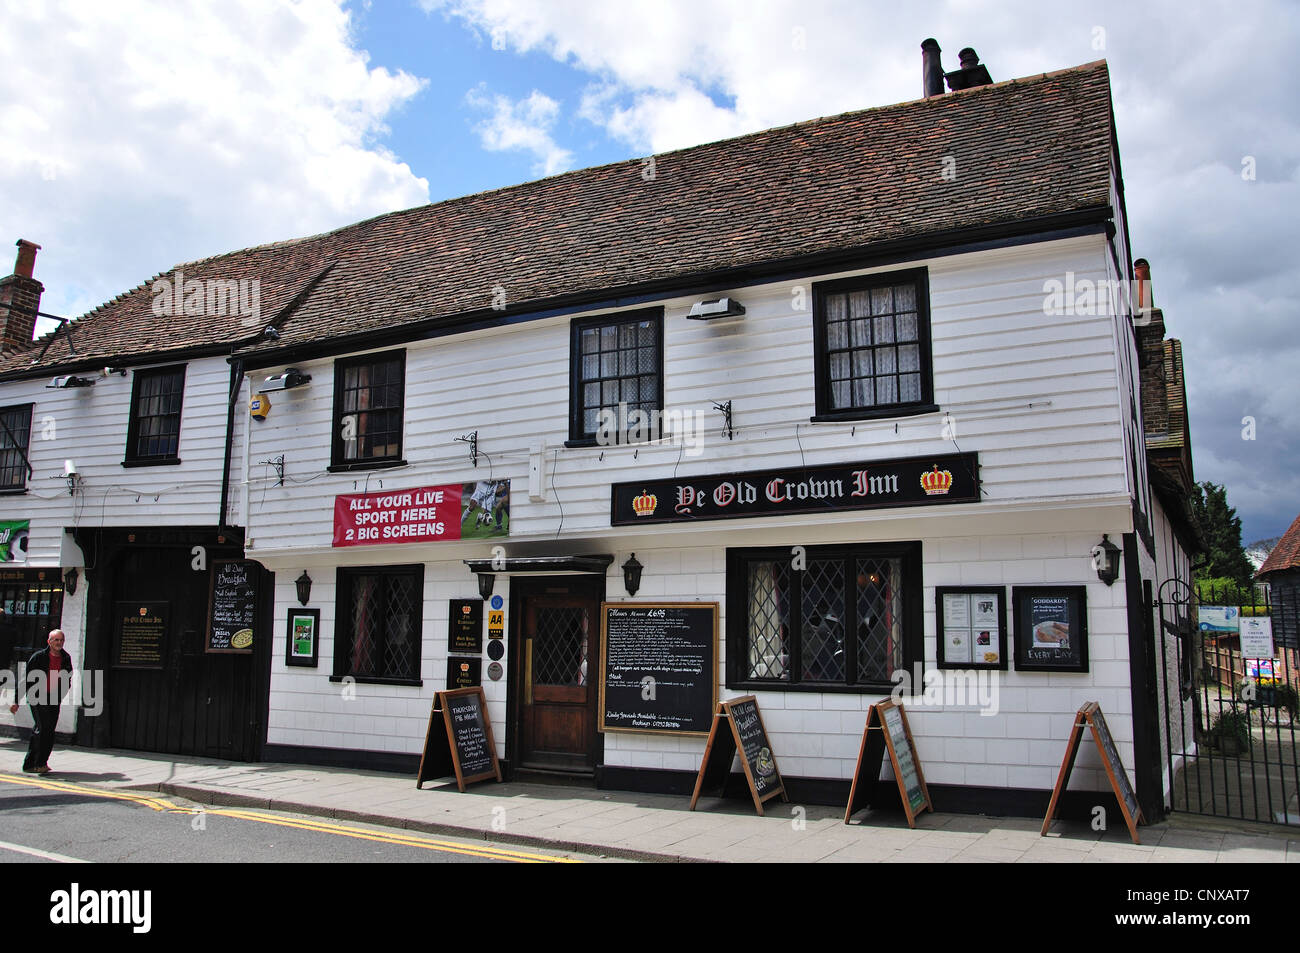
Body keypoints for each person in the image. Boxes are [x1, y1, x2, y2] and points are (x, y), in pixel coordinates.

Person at [21, 629, 73, 775]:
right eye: (56, 640)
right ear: (49, 642)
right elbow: (27, 679)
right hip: (37, 697)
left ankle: (31, 763)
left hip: (54, 698)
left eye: (61, 640)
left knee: (47, 730)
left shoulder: (65, 658)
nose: (59, 643)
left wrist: (61, 694)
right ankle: (39, 763)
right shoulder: (38, 657)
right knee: (43, 729)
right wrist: (16, 700)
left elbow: (67, 678)